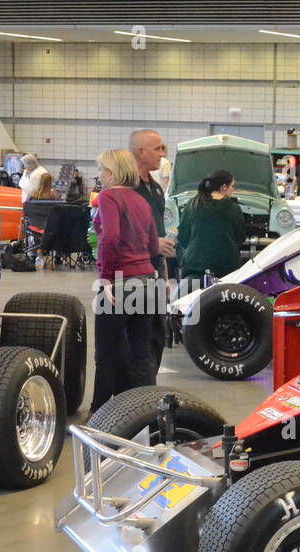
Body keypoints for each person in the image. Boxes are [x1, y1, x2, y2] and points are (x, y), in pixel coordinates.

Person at [92, 148, 160, 412]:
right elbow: (154, 245)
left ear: (110, 173)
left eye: (101, 169)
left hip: (120, 282)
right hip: (146, 280)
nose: (99, 174)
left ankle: (99, 414)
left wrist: (106, 276)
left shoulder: (108, 197)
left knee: (106, 355)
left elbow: (110, 238)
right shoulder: (140, 200)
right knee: (141, 352)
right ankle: (149, 412)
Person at [129, 129, 177, 369]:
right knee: (137, 342)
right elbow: (116, 236)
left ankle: (148, 389)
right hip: (132, 277)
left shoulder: (156, 188)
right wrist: (151, 244)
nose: (162, 153)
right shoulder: (125, 190)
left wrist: (166, 277)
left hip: (156, 274)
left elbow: (159, 234)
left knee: (157, 337)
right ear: (141, 151)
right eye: (157, 148)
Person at [176, 169, 246, 282]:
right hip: (226, 269)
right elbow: (240, 238)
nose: (234, 190)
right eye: (233, 186)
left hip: (194, 267)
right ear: (224, 187)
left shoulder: (192, 204)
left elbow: (183, 236)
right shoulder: (234, 209)